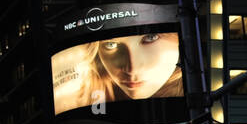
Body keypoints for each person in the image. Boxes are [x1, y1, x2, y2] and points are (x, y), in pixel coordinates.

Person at [52, 33, 182, 114]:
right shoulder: (83, 99)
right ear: (96, 51)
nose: (131, 69)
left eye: (150, 37)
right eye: (111, 44)